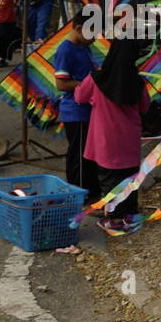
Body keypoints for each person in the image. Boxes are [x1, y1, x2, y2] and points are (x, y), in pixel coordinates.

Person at [74, 39, 149, 234]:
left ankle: (114, 218)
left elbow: (80, 96)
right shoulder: (138, 81)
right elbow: (145, 107)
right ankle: (129, 214)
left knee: (108, 179)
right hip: (129, 138)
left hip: (105, 139)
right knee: (130, 177)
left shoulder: (96, 78)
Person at [52, 11, 99, 193]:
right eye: (93, 34)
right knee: (78, 156)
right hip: (75, 111)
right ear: (79, 28)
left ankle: (92, 190)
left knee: (89, 154)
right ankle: (79, 192)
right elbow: (61, 83)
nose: (95, 39)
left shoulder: (84, 47)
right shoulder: (66, 50)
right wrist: (89, 85)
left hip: (88, 109)